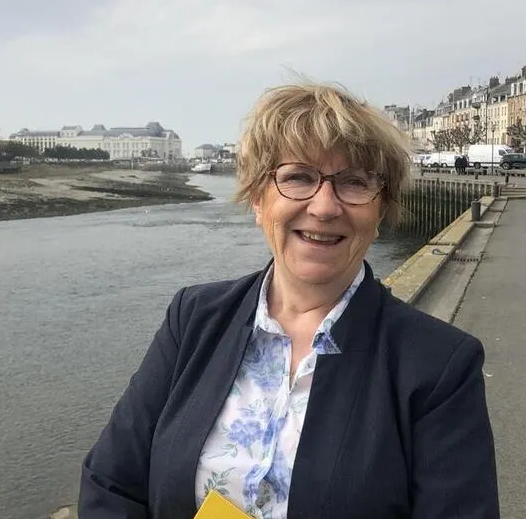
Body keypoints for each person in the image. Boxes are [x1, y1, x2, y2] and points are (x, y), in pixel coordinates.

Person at [79, 83, 500, 519]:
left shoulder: (438, 365)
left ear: (381, 211)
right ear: (258, 199)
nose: (324, 207)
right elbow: (110, 482)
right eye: (298, 177)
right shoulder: (193, 320)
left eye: (355, 182)